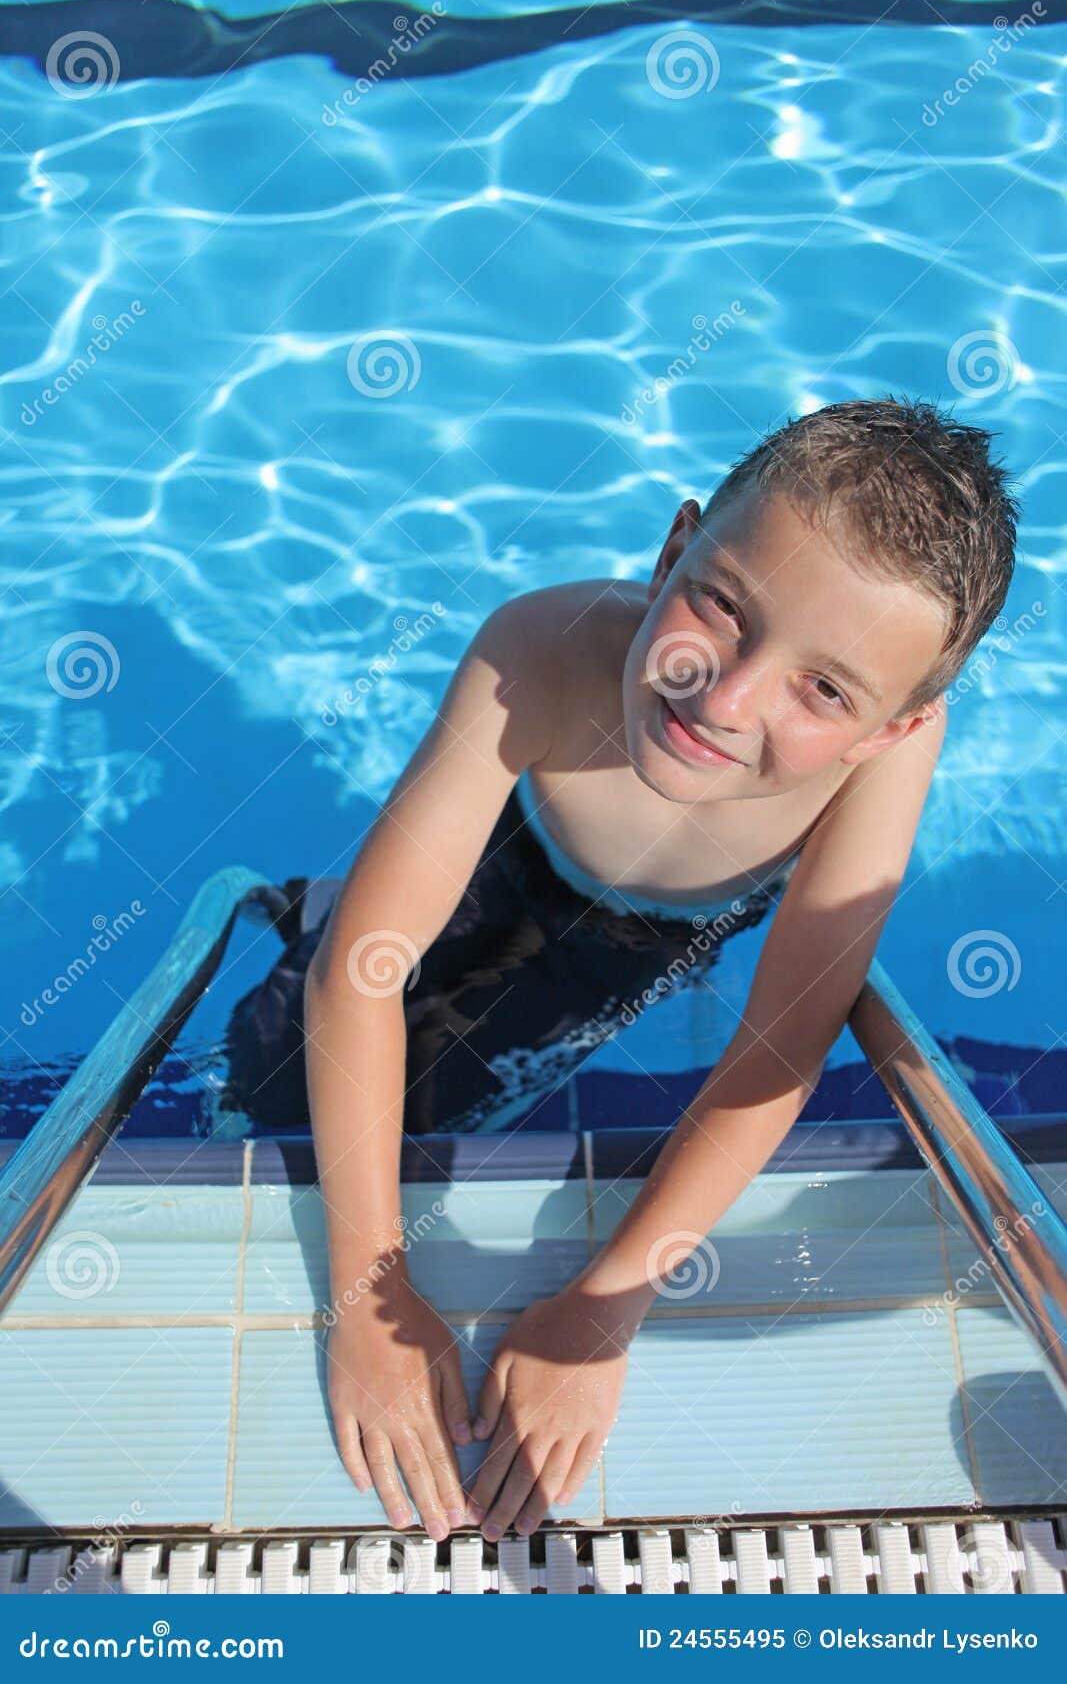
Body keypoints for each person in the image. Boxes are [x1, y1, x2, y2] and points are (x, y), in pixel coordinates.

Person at [230, 395, 1018, 1548]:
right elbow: (363, 975)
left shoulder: (885, 767)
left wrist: (605, 1310)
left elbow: (778, 1048)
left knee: (480, 1083)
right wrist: (372, 1291)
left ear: (885, 731)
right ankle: (313, 898)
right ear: (669, 549)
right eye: (722, 604)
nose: (728, 696)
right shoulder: (542, 654)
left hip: (643, 944)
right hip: (508, 866)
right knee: (266, 1090)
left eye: (826, 689)